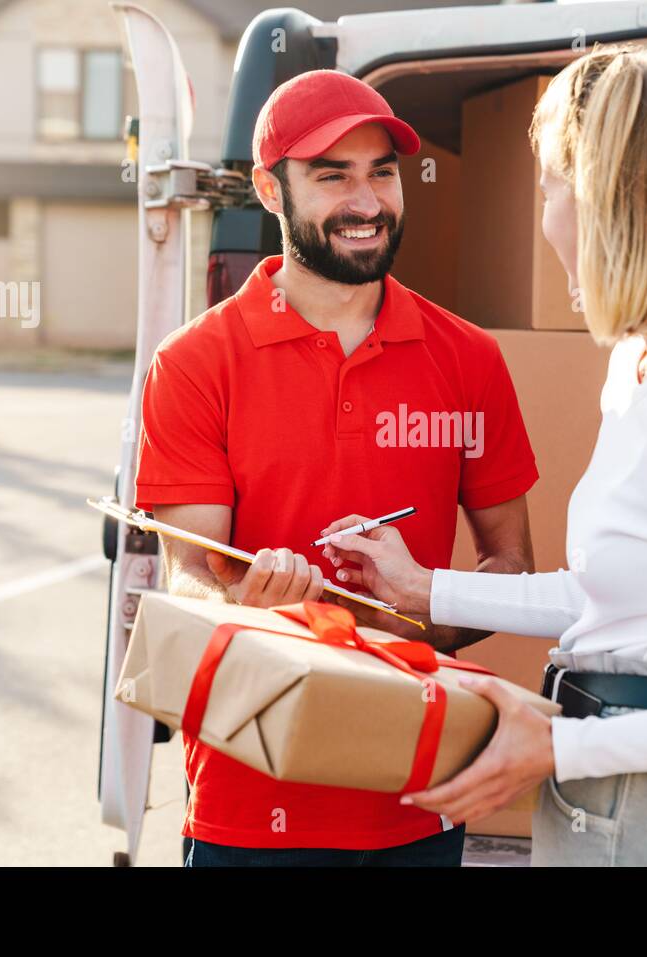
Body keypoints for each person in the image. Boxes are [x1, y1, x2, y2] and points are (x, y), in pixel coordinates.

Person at [319, 46, 647, 867]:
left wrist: (565, 750)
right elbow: (617, 596)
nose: (545, 218)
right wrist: (420, 586)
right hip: (605, 786)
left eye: (550, 187)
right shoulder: (641, 369)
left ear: (608, 198)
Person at [133, 70, 541, 867]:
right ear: (269, 189)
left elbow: (511, 564)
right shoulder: (195, 363)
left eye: (381, 171)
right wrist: (250, 606)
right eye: (332, 176)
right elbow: (188, 575)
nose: (366, 202)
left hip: (418, 792)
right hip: (250, 799)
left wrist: (412, 611)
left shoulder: (468, 359)